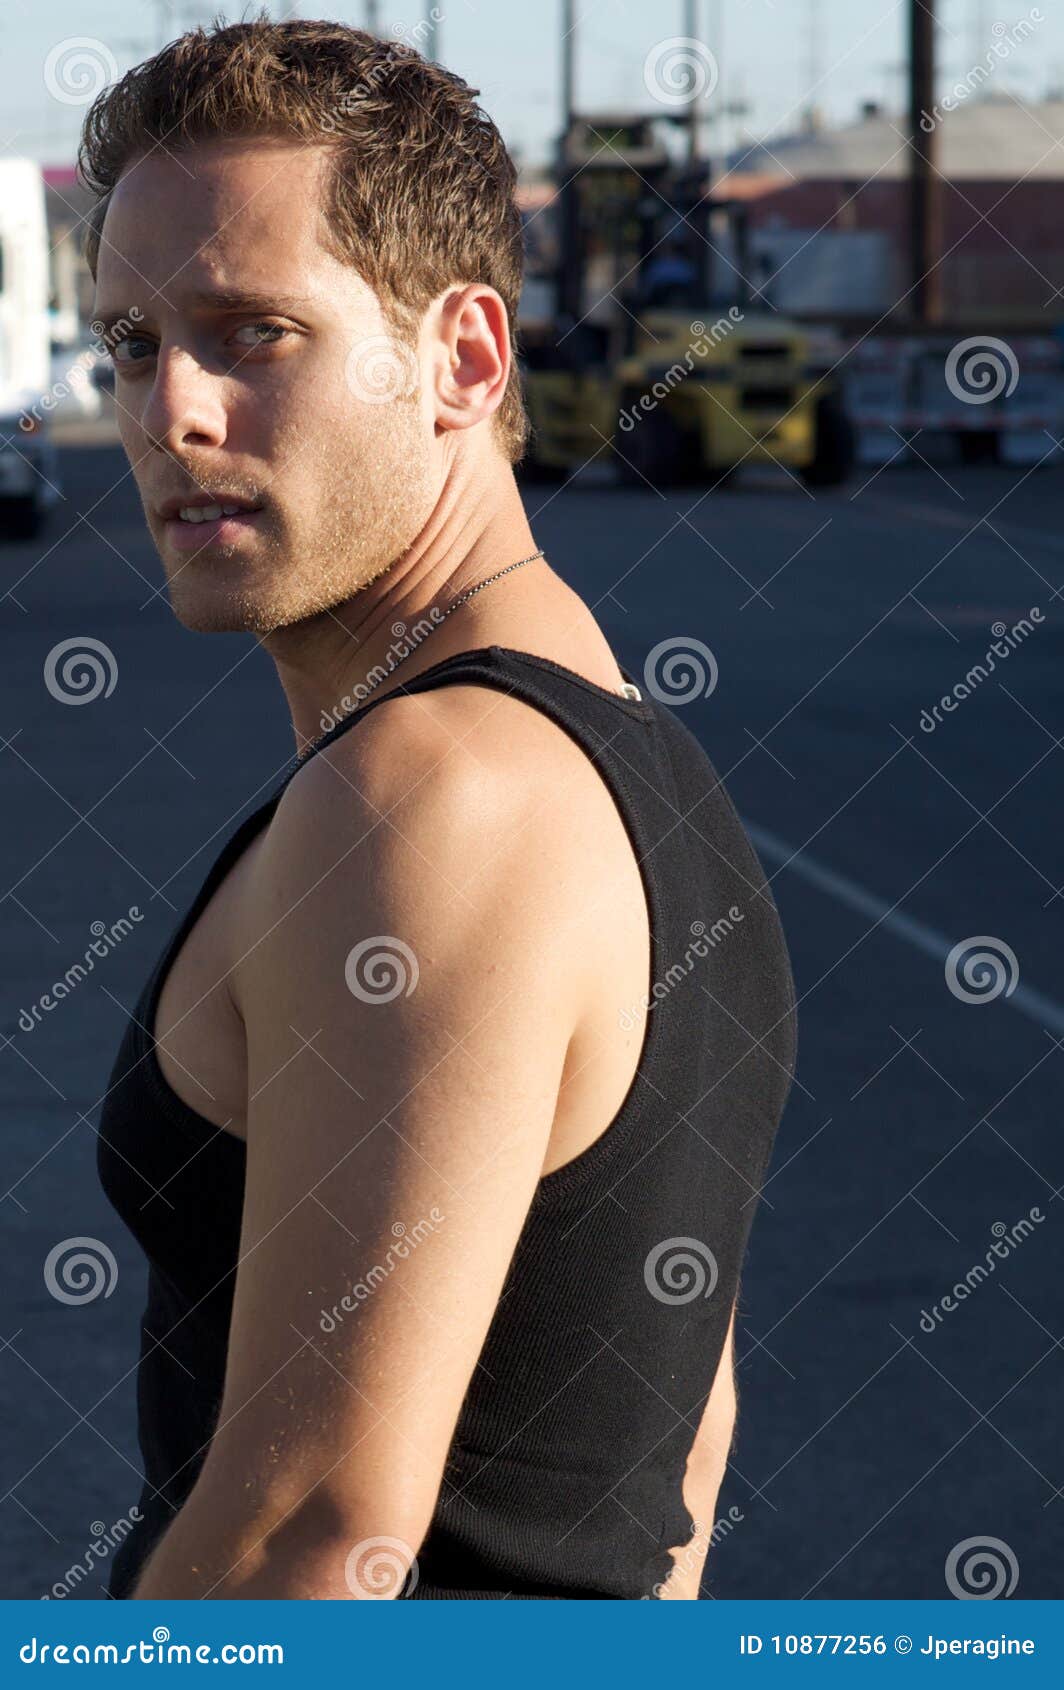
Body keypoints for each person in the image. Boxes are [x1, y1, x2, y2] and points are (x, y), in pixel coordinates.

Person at [84, 15, 796, 1600]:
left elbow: (318, 1532)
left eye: (250, 332)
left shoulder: (433, 794)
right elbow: (680, 1448)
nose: (170, 412)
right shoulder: (630, 768)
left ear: (464, 359)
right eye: (134, 344)